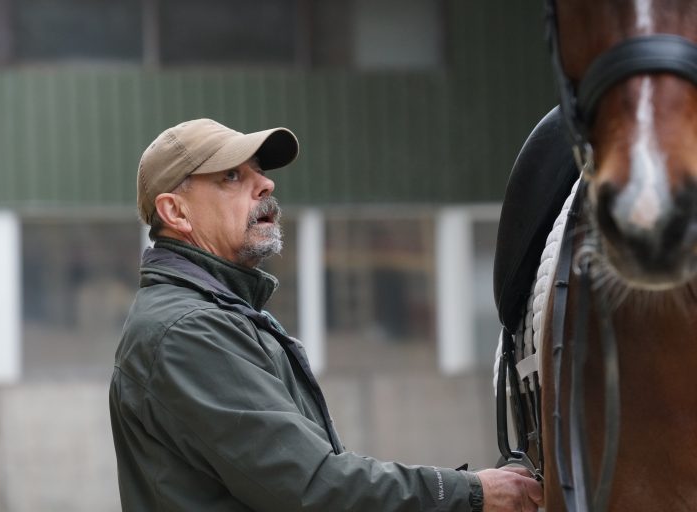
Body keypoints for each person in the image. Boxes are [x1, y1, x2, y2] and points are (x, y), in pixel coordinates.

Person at [109, 118, 544, 512]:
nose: (265, 185)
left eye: (260, 171)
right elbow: (315, 488)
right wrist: (470, 493)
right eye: (231, 176)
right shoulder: (188, 331)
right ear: (176, 212)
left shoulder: (215, 315)